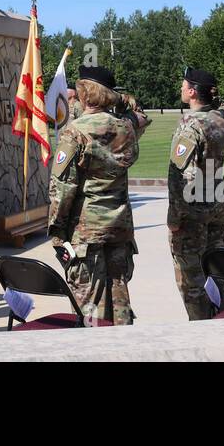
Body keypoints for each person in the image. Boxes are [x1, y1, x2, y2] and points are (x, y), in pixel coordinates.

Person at [50, 66, 150, 325]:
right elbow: (141, 118)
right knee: (120, 300)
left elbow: (63, 188)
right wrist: (124, 103)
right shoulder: (125, 129)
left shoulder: (75, 132)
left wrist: (57, 231)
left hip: (87, 232)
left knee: (89, 306)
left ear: (85, 94)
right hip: (119, 226)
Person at [167, 67, 224, 319]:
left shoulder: (190, 124)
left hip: (193, 212)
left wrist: (175, 217)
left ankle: (201, 325)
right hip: (217, 203)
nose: (181, 89)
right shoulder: (223, 118)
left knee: (191, 277)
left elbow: (179, 175)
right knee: (216, 268)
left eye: (184, 85)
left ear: (193, 91)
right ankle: (223, 316)